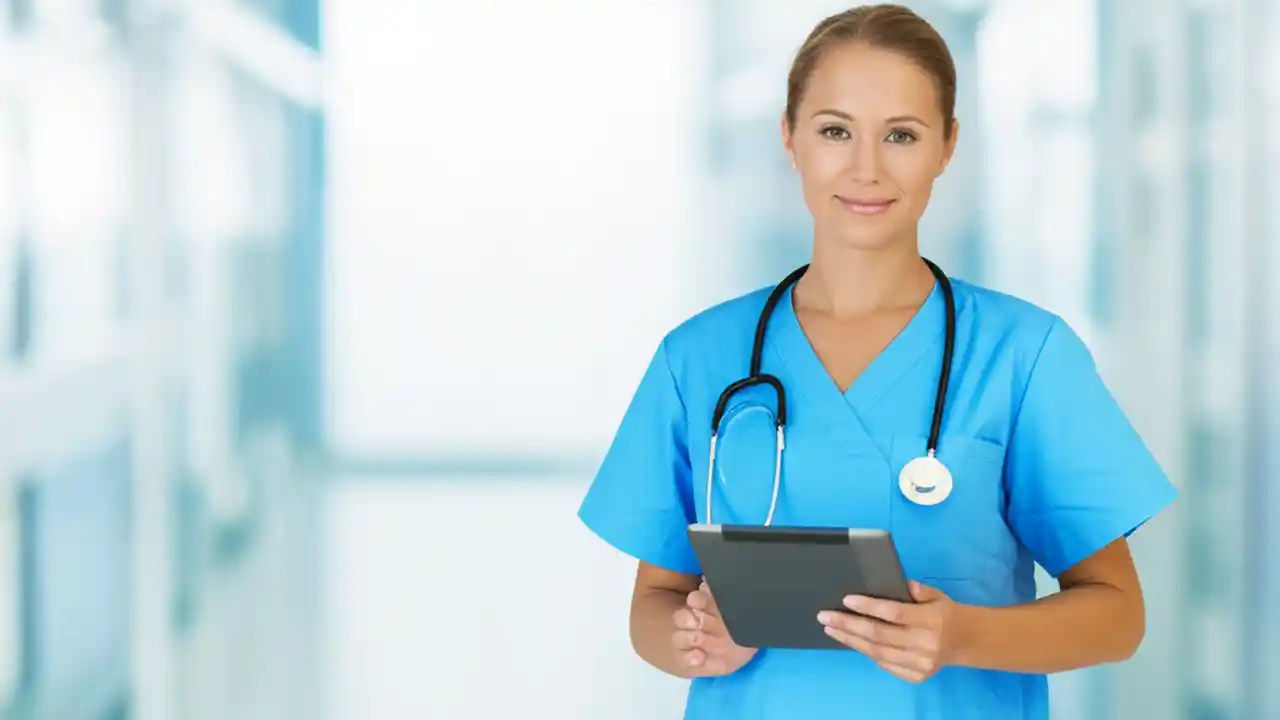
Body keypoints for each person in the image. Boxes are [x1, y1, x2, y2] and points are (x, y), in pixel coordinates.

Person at [576, 4, 1177, 718]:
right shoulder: (700, 358)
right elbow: (654, 606)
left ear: (947, 146)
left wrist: (962, 635)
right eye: (835, 131)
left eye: (901, 134)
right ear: (790, 138)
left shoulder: (1022, 355)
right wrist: (693, 639)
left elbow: (1117, 616)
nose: (866, 168)